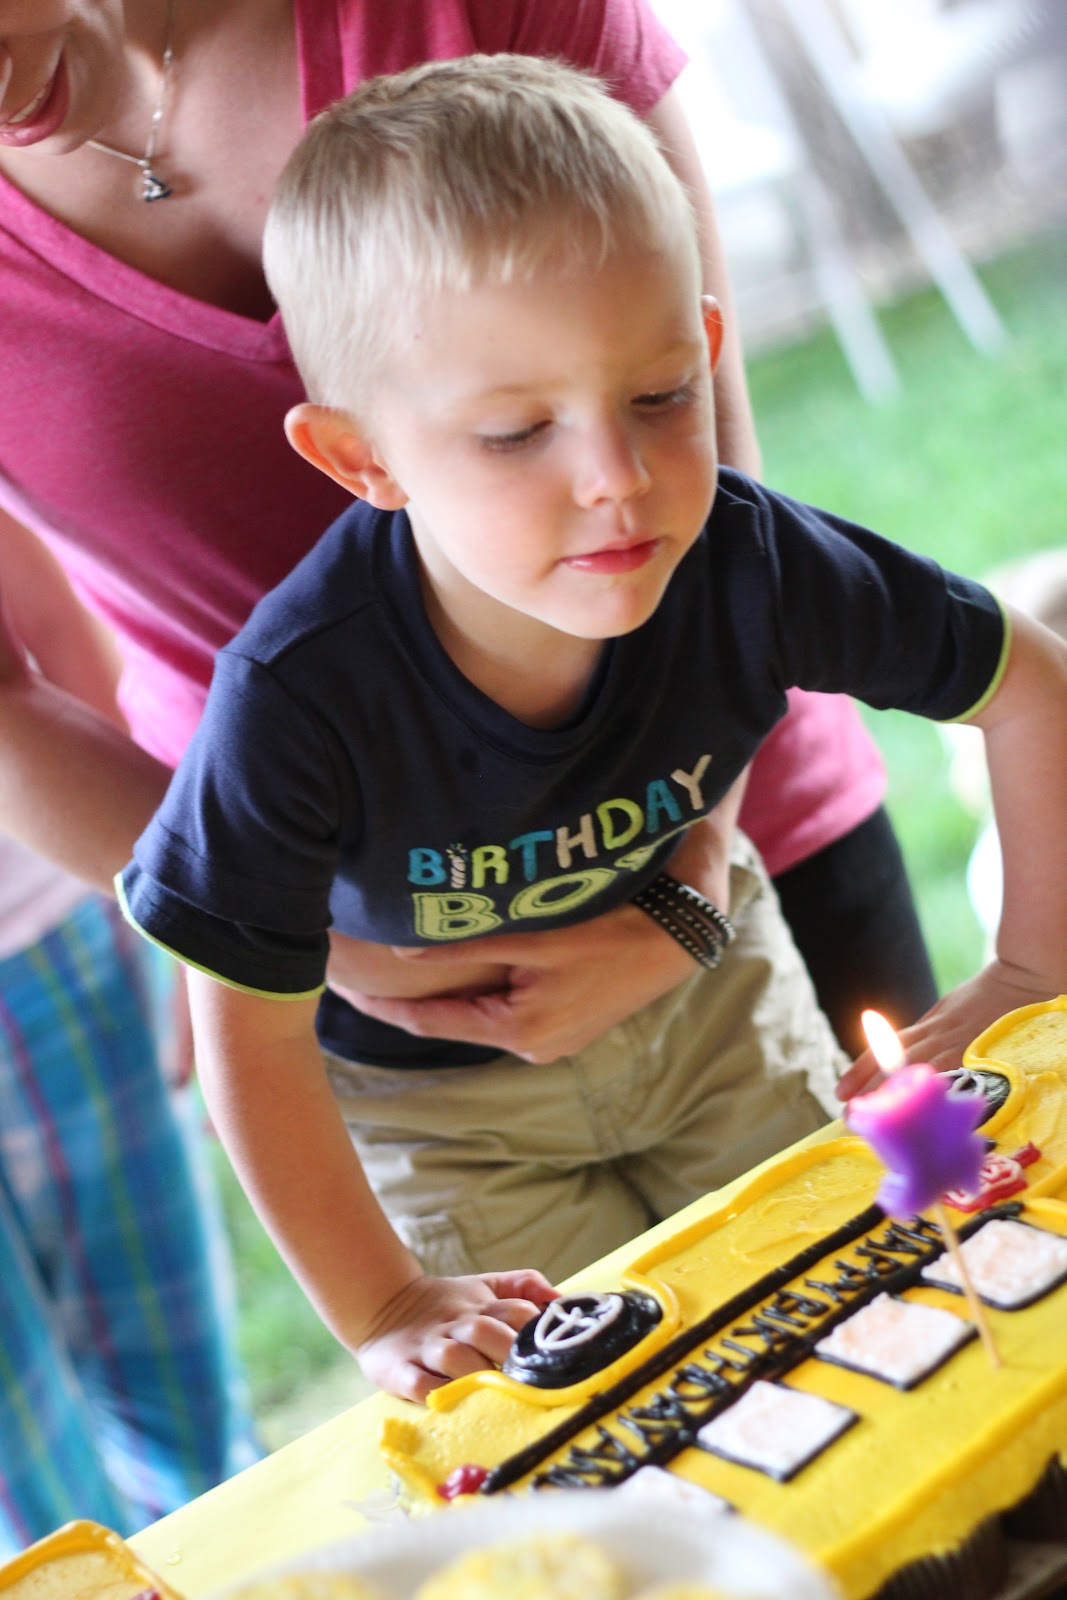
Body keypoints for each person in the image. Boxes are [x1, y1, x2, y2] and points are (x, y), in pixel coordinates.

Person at [117, 55, 1067, 1405]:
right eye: (516, 432)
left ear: (708, 343)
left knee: (864, 1334)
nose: (615, 479)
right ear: (359, 458)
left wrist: (1031, 963)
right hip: (451, 1118)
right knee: (617, 1419)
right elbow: (247, 1034)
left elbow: (1027, 682)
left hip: (714, 1008)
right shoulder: (293, 694)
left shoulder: (748, 561)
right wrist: (382, 1305)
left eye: (660, 396)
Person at [0, 0, 933, 1075]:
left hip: (736, 827)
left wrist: (695, 872)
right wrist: (317, 947)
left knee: (951, 1228)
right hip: (375, 969)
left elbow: (703, 455)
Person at [0, 523, 257, 1555]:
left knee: (180, 1386)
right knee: (28, 1476)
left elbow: (56, 641)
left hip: (54, 947)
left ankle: (237, 1566)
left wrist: (169, 923)